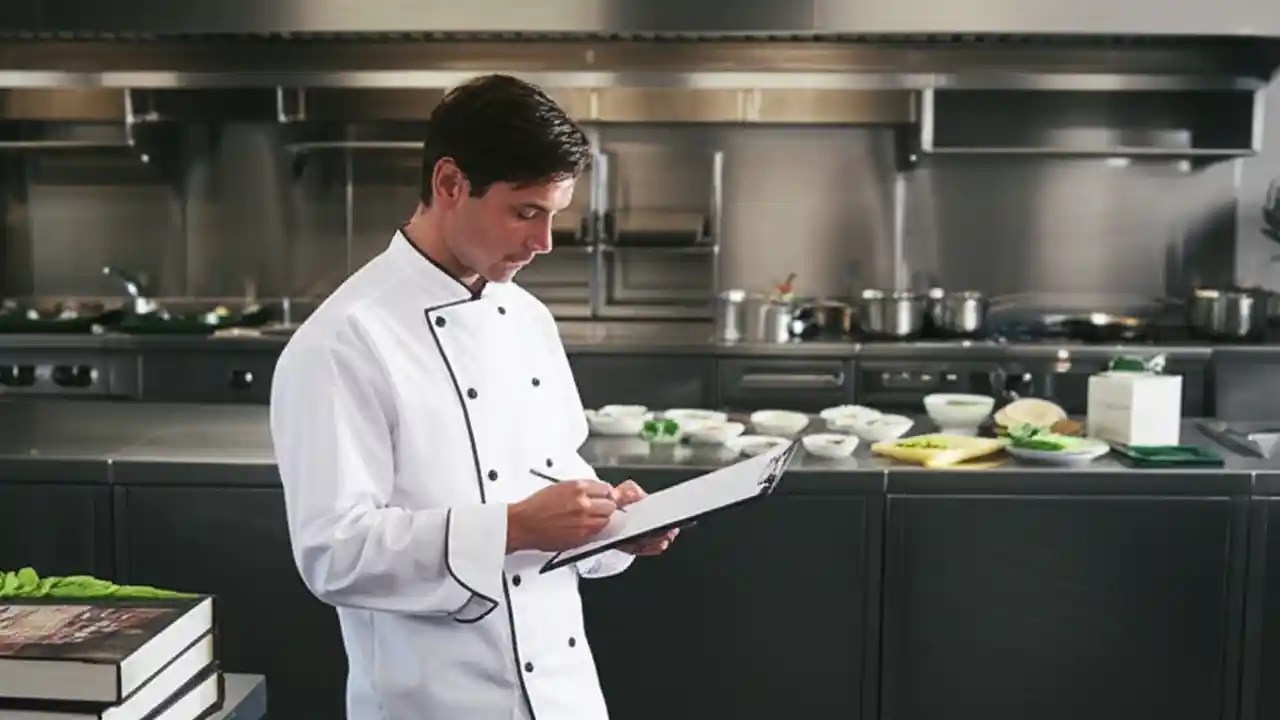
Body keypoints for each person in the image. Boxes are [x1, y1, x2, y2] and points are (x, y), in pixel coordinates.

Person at [269, 74, 678, 720]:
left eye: (554, 216)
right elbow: (334, 555)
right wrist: (512, 527)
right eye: (526, 212)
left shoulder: (530, 319)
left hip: (565, 696)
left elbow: (560, 482)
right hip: (432, 705)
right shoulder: (343, 344)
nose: (544, 243)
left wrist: (612, 526)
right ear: (450, 184)